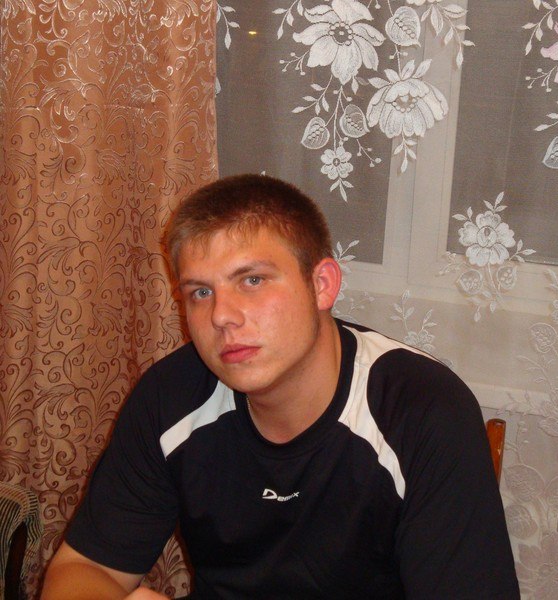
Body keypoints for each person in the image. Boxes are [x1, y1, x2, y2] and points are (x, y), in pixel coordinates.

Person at [42, 174, 520, 599]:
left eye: (252, 280)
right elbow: (85, 569)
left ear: (322, 284)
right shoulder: (171, 396)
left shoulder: (422, 409)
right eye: (201, 292)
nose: (221, 316)